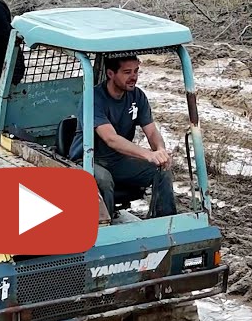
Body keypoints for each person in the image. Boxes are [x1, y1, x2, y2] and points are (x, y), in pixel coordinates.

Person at [69, 55, 177, 219]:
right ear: (111, 74)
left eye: (136, 71)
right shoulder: (94, 98)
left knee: (162, 170)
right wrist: (147, 154)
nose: (133, 77)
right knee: (104, 180)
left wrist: (160, 150)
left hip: (117, 160)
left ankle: (166, 223)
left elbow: (152, 132)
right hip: (88, 159)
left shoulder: (137, 96)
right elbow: (110, 138)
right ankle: (104, 228)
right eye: (127, 72)